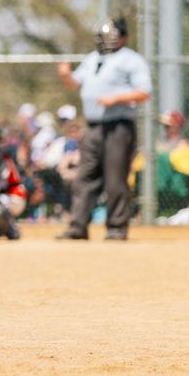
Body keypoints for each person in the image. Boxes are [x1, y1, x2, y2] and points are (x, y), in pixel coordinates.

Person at [55, 17, 151, 240]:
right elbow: (76, 84)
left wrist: (116, 99)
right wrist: (66, 75)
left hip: (118, 127)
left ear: (123, 38)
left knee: (115, 178)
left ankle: (116, 227)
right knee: (84, 177)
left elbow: (144, 91)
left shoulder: (132, 60)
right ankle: (78, 226)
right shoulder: (92, 59)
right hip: (93, 127)